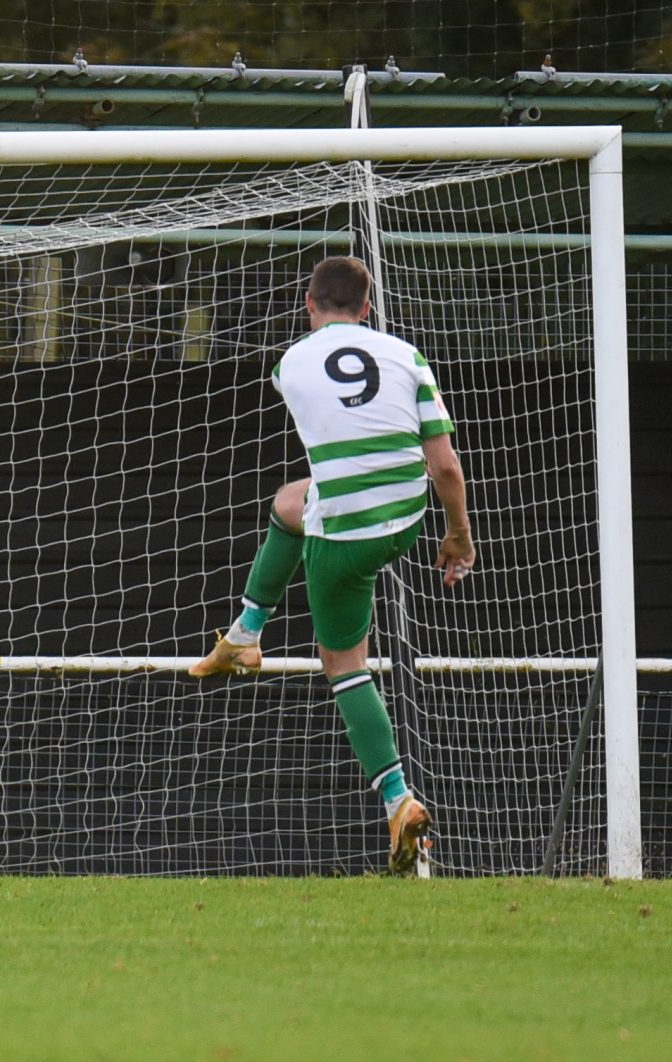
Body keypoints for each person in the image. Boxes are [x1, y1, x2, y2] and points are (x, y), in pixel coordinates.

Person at [189, 255, 474, 874]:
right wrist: (458, 536)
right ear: (367, 309)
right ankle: (243, 636)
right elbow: (446, 466)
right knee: (290, 503)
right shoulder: (406, 355)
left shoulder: (290, 364)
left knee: (342, 663)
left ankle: (398, 802)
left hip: (347, 533)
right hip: (407, 512)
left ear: (309, 304)